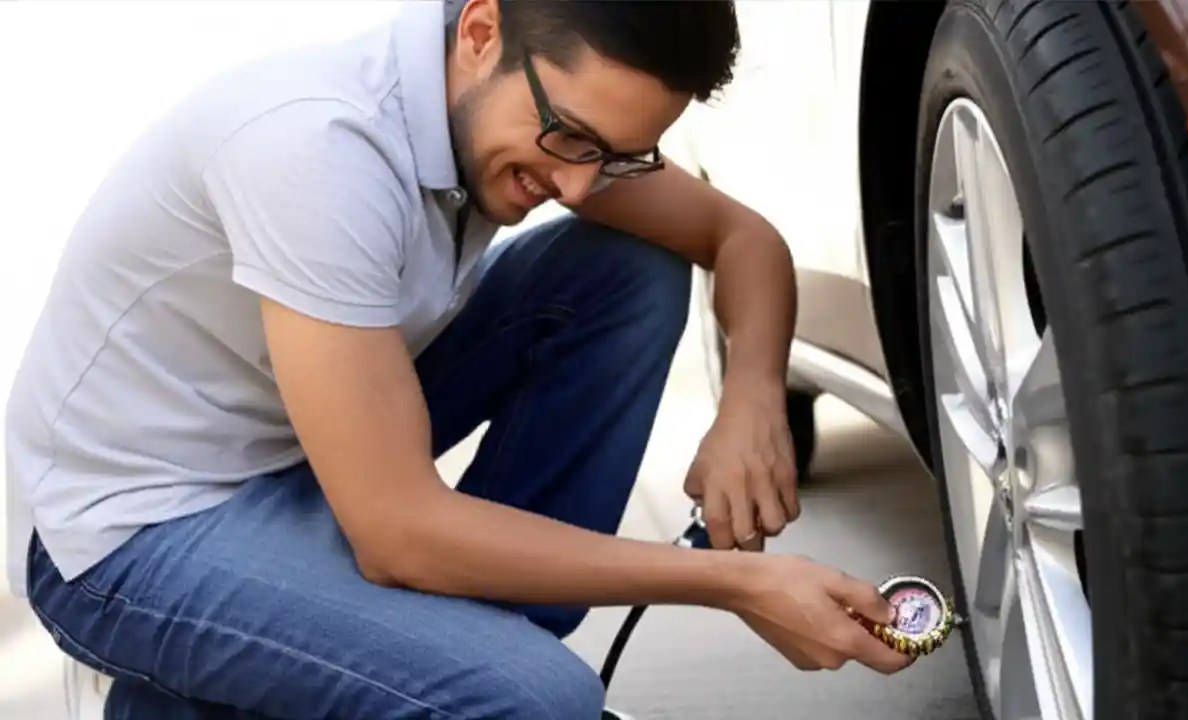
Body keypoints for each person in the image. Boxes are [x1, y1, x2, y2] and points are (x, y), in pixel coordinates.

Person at [5, 1, 912, 718]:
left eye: (621, 158)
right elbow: (397, 534)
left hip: (309, 446)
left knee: (628, 269)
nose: (579, 187)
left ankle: (435, 661)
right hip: (132, 531)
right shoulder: (317, 149)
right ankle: (432, 676)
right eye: (573, 139)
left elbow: (739, 237)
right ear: (479, 30)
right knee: (537, 699)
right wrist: (733, 582)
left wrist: (752, 398)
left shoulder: (522, 108)